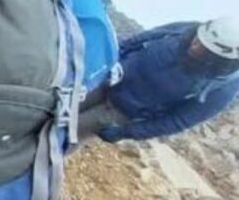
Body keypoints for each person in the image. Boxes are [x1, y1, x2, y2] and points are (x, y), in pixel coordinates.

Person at [81, 17, 239, 143]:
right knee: (66, 105)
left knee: (69, 133)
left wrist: (126, 132)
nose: (194, 46)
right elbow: (143, 38)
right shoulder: (187, 29)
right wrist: (111, 57)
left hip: (118, 110)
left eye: (204, 50)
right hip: (107, 78)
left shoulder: (223, 87)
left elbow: (178, 121)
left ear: (219, 58)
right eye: (198, 39)